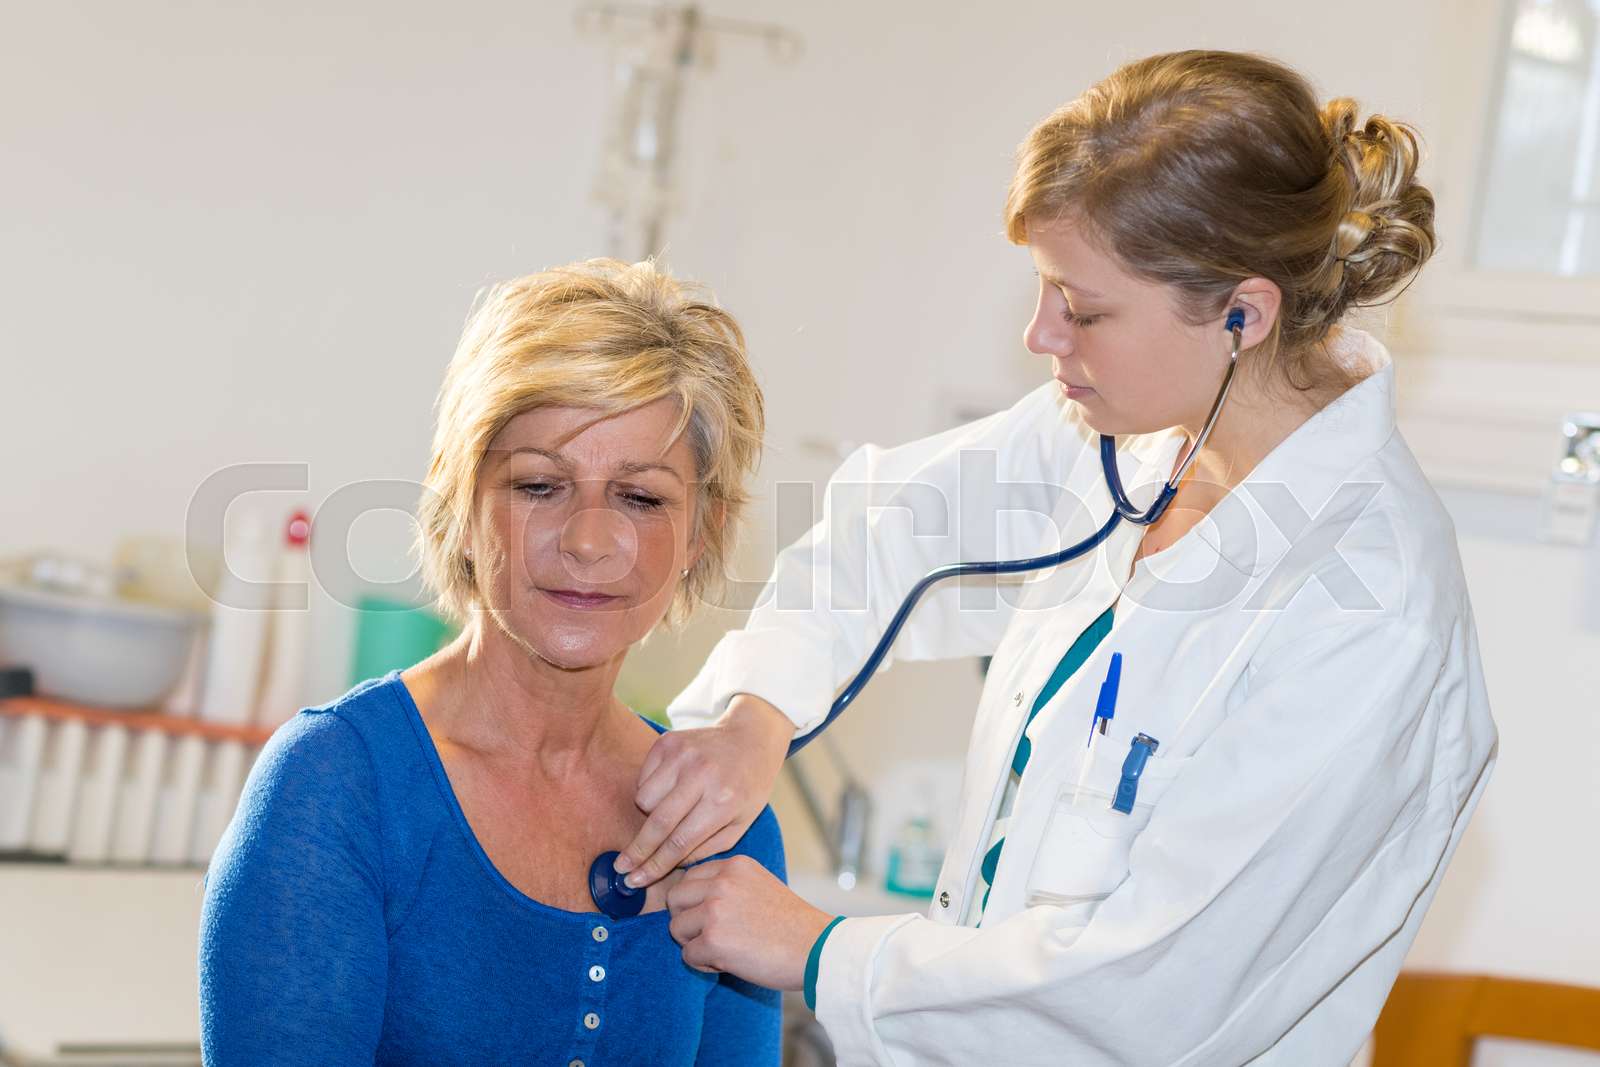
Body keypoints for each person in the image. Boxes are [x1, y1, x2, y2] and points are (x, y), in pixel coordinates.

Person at [616, 51, 1498, 1064]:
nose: (1041, 336)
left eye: (1082, 308)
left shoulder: (1373, 608)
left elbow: (1151, 990)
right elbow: (883, 530)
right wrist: (756, 713)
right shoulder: (1121, 438)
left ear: (1243, 314)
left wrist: (819, 951)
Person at [198, 258, 783, 1065]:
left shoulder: (720, 816)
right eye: (539, 485)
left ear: (700, 535)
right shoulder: (337, 785)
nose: (587, 541)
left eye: (641, 498)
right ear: (463, 505)